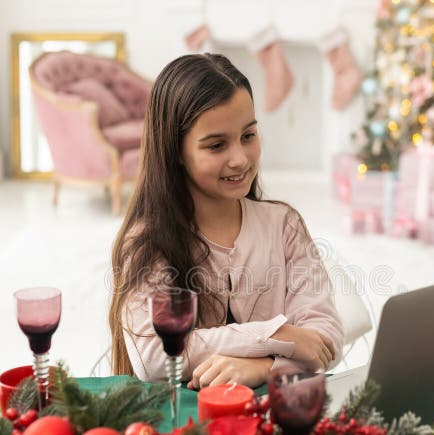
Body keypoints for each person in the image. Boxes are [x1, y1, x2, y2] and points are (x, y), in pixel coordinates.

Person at [108, 53, 343, 389]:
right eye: (217, 145)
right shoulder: (148, 242)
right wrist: (273, 335)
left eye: (248, 136)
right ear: (175, 151)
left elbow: (325, 339)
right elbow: (154, 358)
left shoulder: (283, 225)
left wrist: (265, 367)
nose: (240, 159)